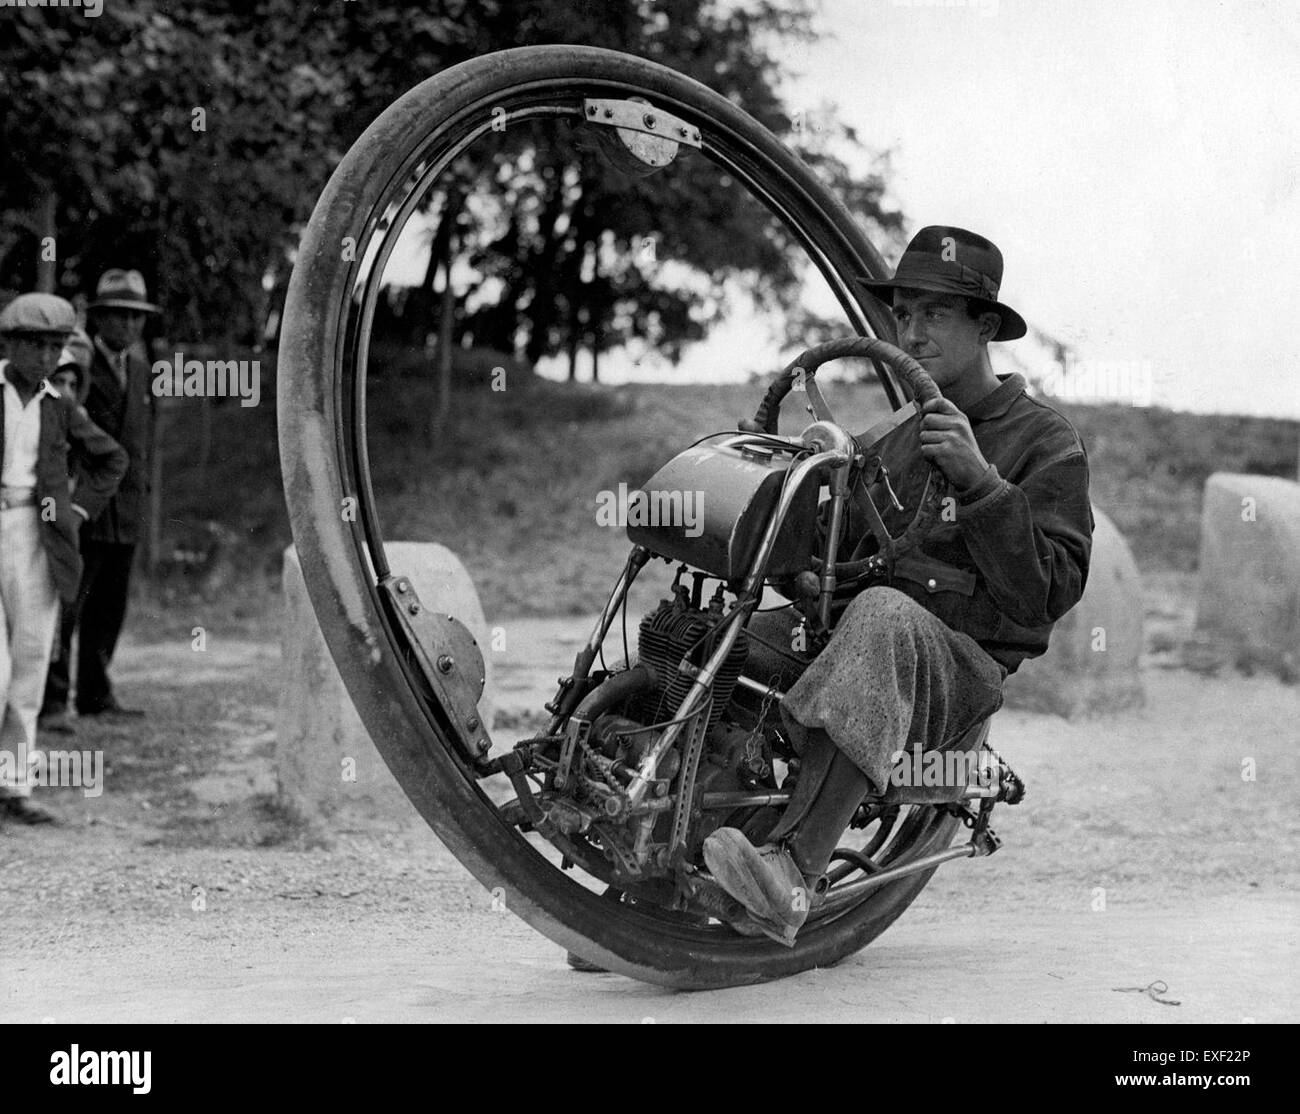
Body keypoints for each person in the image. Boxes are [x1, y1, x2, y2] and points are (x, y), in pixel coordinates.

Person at [702, 226, 1095, 945]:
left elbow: (1046, 595)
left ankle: (792, 870)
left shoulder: (1045, 442)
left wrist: (982, 485)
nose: (912, 333)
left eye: (935, 315)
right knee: (714, 640)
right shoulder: (894, 437)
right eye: (903, 314)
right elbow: (843, 550)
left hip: (957, 676)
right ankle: (648, 882)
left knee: (884, 613)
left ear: (985, 329)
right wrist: (809, 561)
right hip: (860, 641)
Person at [0, 294, 128, 824]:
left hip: (40, 535)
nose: (46, 357)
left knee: (29, 660)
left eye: (55, 346)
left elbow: (111, 458)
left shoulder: (58, 403)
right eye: (35, 345)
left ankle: (13, 785)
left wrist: (74, 512)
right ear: (9, 344)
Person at [41, 269, 159, 723]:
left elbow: (143, 443)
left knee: (110, 609)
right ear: (99, 317)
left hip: (125, 511)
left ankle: (95, 695)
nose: (129, 326)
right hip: (83, 508)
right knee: (67, 606)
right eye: (119, 316)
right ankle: (53, 701)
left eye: (136, 317)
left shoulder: (141, 369)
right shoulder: (77, 366)